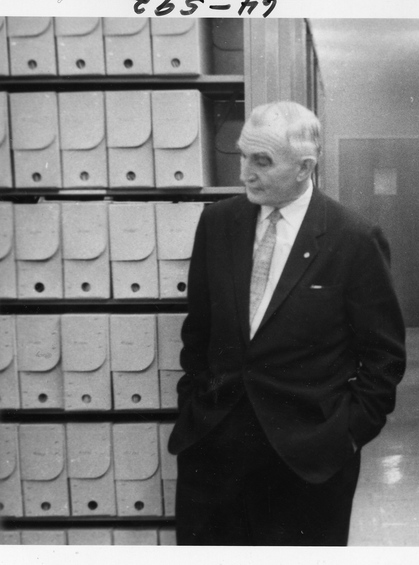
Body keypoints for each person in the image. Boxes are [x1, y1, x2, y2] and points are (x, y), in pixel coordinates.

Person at [168, 101, 406, 546]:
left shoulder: (352, 238)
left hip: (307, 459)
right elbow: (197, 332)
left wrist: (344, 438)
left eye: (262, 161)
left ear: (304, 167)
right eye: (242, 156)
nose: (245, 173)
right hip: (214, 448)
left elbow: (384, 358)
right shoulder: (218, 222)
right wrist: (195, 408)